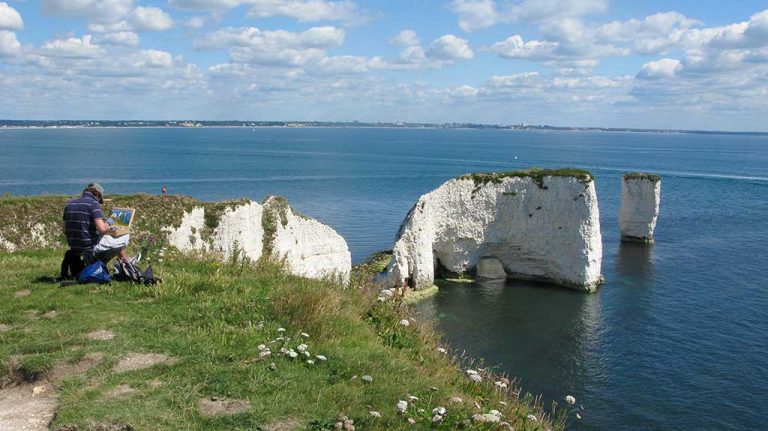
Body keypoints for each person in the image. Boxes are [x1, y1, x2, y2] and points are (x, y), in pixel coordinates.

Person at [63, 183, 129, 267]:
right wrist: (111, 220)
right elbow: (102, 229)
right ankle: (123, 263)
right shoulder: (93, 204)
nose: (98, 202)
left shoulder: (69, 204)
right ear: (97, 195)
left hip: (73, 245)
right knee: (124, 235)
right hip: (88, 245)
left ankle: (124, 260)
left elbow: (64, 230)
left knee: (110, 239)